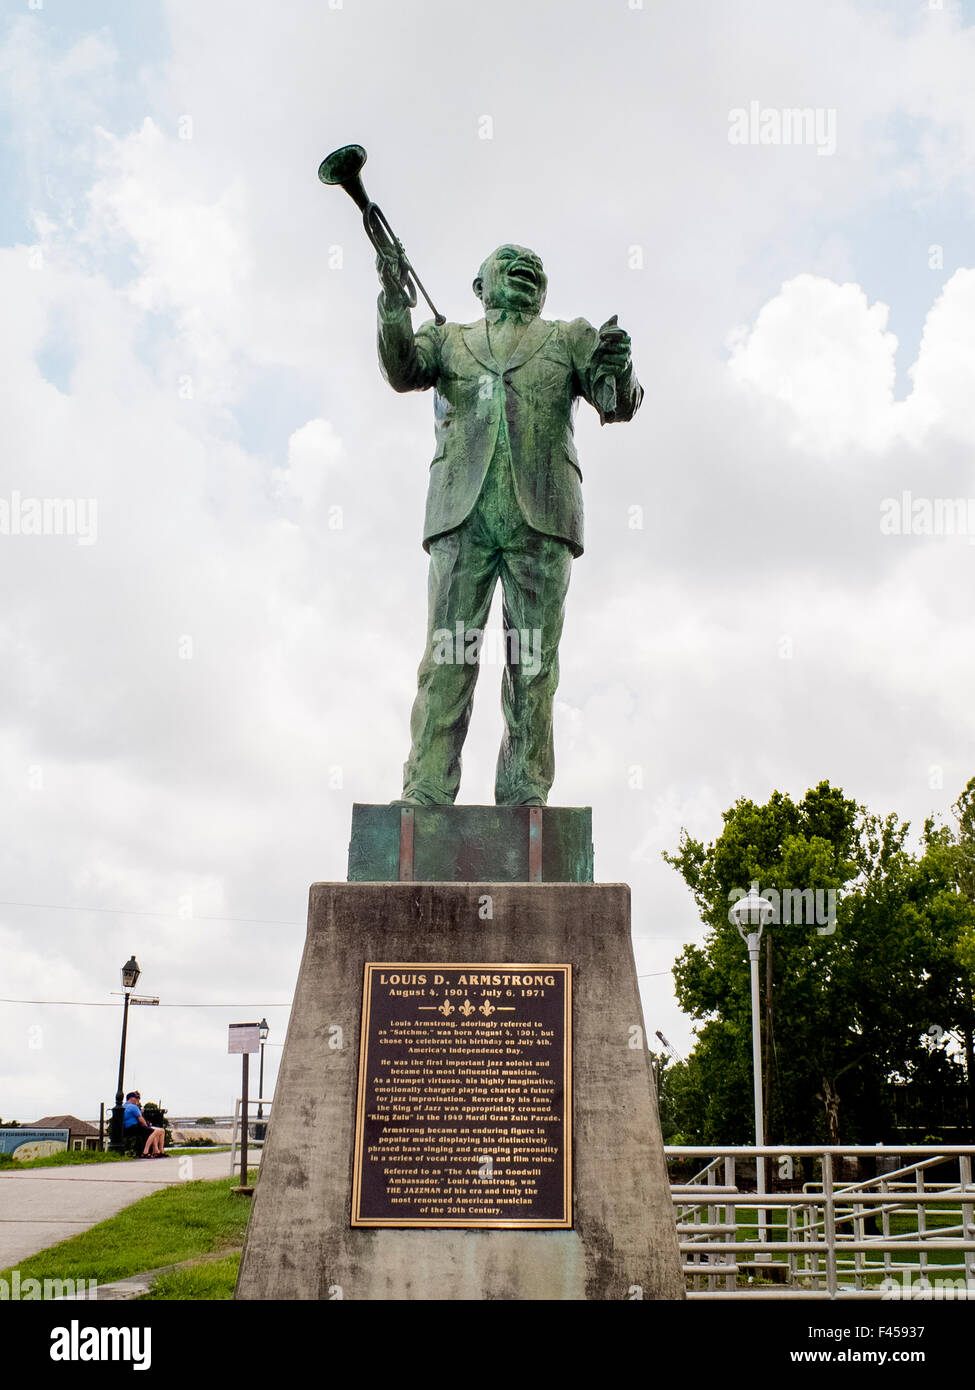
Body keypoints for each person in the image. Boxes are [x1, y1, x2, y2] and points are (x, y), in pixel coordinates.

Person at [377, 242, 642, 806]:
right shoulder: (448, 339)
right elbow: (401, 370)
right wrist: (394, 306)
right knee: (447, 656)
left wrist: (619, 364)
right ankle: (425, 787)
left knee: (535, 663)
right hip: (460, 512)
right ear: (480, 285)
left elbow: (616, 403)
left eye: (536, 268)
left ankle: (525, 792)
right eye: (511, 263)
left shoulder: (569, 335)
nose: (527, 268)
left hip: (542, 521)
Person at [122, 1091, 166, 1157]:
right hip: (134, 1127)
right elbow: (141, 1119)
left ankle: (157, 1151)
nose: (137, 1099)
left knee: (160, 1131)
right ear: (131, 1098)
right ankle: (146, 1151)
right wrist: (147, 1126)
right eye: (136, 1098)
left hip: (127, 1128)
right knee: (154, 1131)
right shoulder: (133, 1107)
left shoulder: (123, 1106)